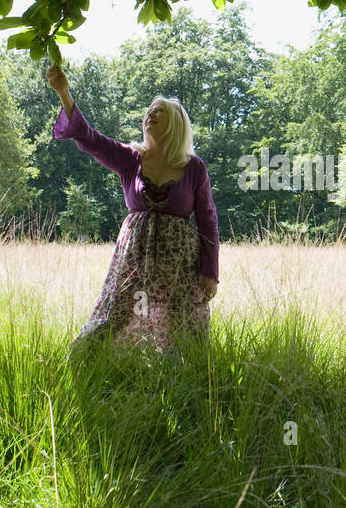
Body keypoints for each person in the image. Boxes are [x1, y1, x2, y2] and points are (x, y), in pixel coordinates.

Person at [46, 64, 219, 352]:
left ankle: (187, 385)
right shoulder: (130, 159)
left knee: (182, 331)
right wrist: (64, 92)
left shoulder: (193, 167)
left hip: (180, 267)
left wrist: (210, 271)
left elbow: (208, 221)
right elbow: (88, 137)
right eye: (149, 111)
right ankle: (86, 366)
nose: (150, 114)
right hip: (133, 261)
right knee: (113, 318)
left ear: (176, 122)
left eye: (158, 111)